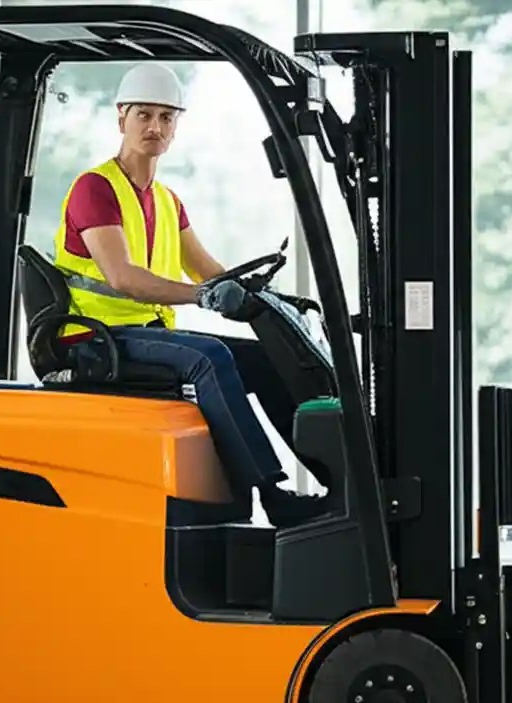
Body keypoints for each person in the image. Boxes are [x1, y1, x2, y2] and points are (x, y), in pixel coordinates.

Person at [51, 62, 323, 528]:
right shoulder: (95, 189)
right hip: (97, 338)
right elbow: (123, 278)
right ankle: (273, 495)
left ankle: (336, 477)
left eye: (165, 117)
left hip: (143, 333)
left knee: (263, 357)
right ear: (122, 118)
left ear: (177, 126)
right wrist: (202, 296)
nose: (154, 127)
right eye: (144, 115)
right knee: (209, 357)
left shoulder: (166, 200)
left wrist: (263, 298)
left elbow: (209, 271)